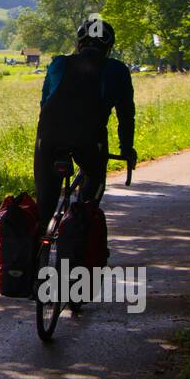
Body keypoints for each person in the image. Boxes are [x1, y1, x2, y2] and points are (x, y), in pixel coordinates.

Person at [33, 18, 137, 236]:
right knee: (94, 179)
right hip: (90, 139)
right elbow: (125, 115)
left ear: (79, 44)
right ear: (108, 48)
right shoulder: (117, 70)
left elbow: (45, 104)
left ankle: (37, 246)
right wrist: (127, 149)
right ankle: (83, 218)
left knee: (44, 203)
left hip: (50, 135)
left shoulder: (58, 63)